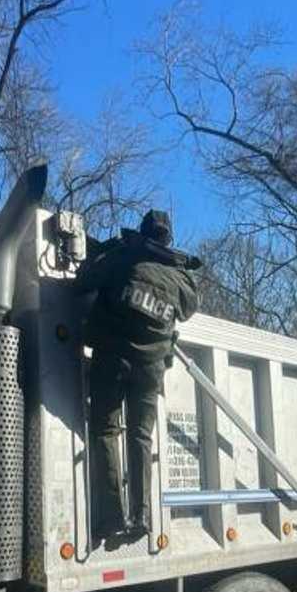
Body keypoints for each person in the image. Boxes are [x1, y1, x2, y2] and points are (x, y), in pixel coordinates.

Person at [74, 208, 201, 546]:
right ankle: (142, 514)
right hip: (151, 369)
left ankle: (112, 516)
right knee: (140, 437)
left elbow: (82, 284)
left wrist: (100, 254)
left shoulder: (123, 259)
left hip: (113, 361)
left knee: (105, 431)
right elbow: (189, 308)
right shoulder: (180, 278)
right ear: (168, 238)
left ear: (143, 232)